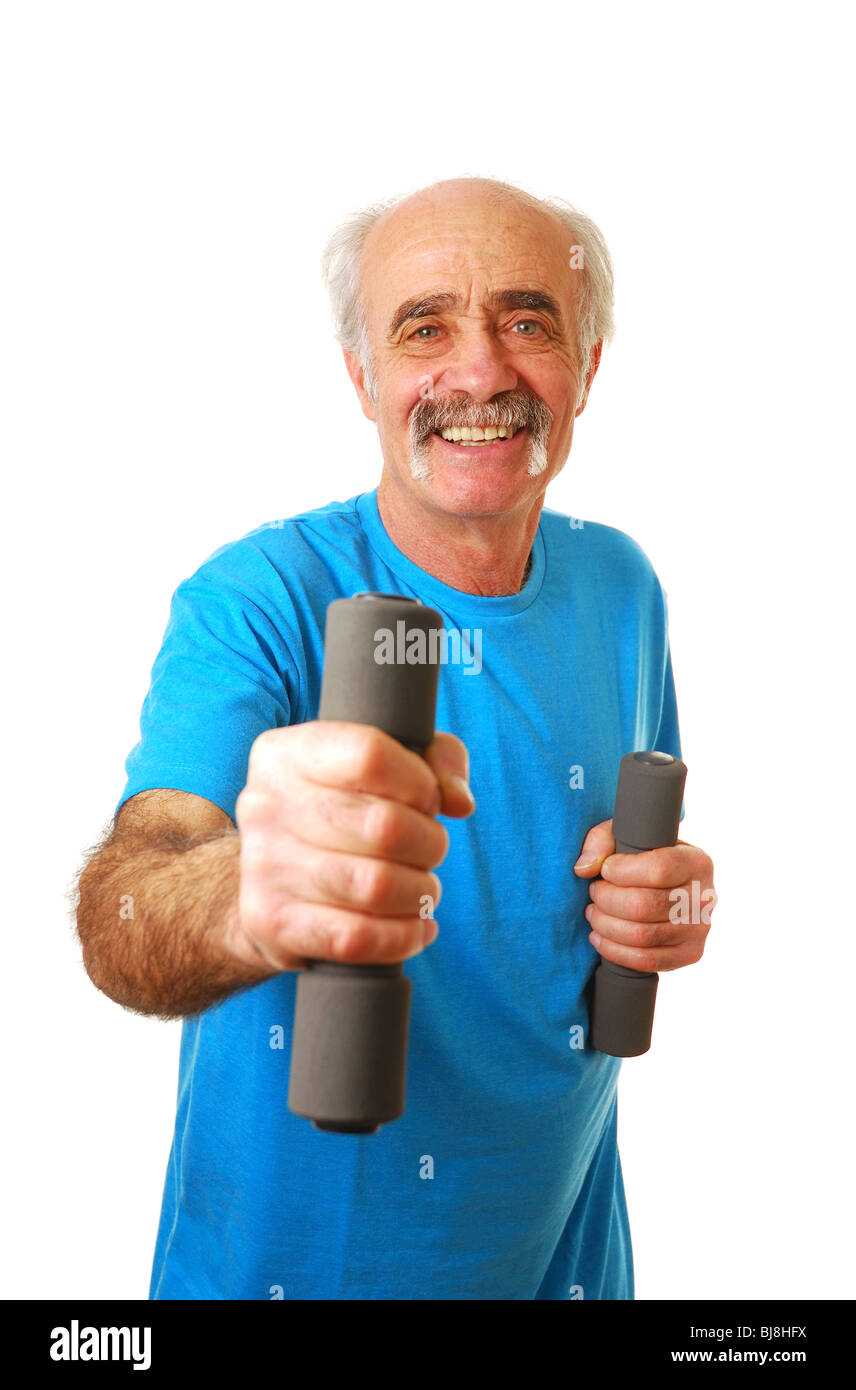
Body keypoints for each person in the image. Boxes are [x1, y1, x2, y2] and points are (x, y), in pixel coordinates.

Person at [75, 177, 716, 1300]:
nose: (479, 371)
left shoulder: (622, 587)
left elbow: (617, 861)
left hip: (565, 1268)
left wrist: (662, 897)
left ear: (589, 365)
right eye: (424, 327)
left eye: (528, 321)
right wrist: (247, 892)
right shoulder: (260, 596)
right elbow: (126, 910)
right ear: (361, 376)